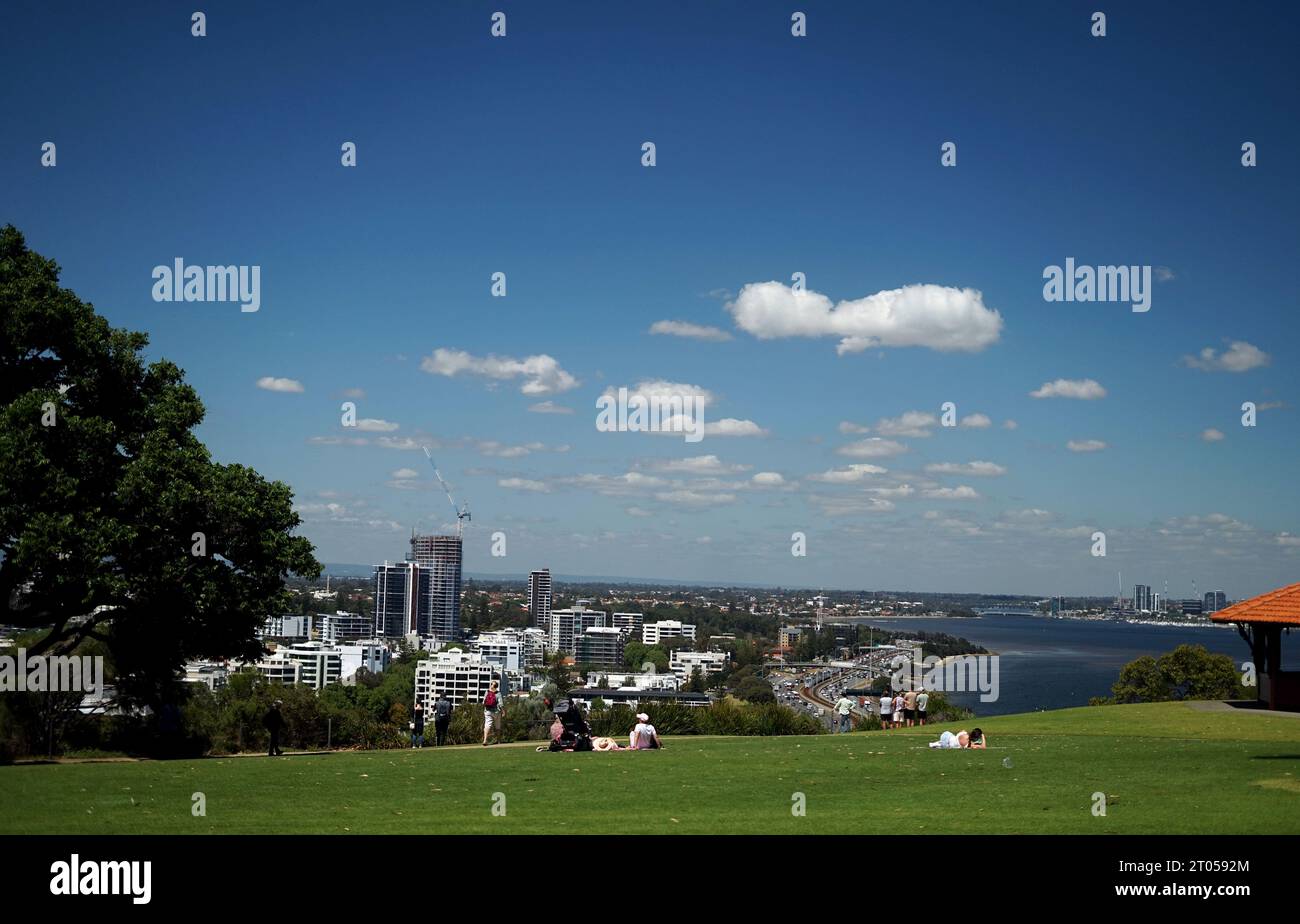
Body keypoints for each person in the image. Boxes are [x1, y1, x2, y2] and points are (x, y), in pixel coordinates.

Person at [482, 681, 502, 746]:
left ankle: (485, 740)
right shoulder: (498, 693)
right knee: (497, 726)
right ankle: (498, 741)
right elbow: (500, 704)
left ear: (491, 685)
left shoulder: (487, 692)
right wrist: (503, 711)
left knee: (487, 725)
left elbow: (483, 702)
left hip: (487, 711)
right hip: (496, 712)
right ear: (497, 686)